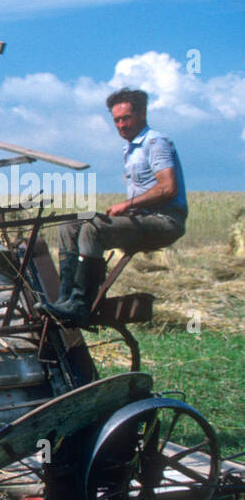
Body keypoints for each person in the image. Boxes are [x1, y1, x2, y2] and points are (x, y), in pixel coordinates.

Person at [40, 88, 187, 327]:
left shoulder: (155, 142)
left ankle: (81, 306)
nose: (121, 125)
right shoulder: (129, 148)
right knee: (68, 226)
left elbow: (168, 188)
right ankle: (65, 300)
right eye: (116, 120)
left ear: (142, 114)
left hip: (164, 221)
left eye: (126, 118)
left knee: (93, 230)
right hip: (141, 219)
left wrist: (126, 205)